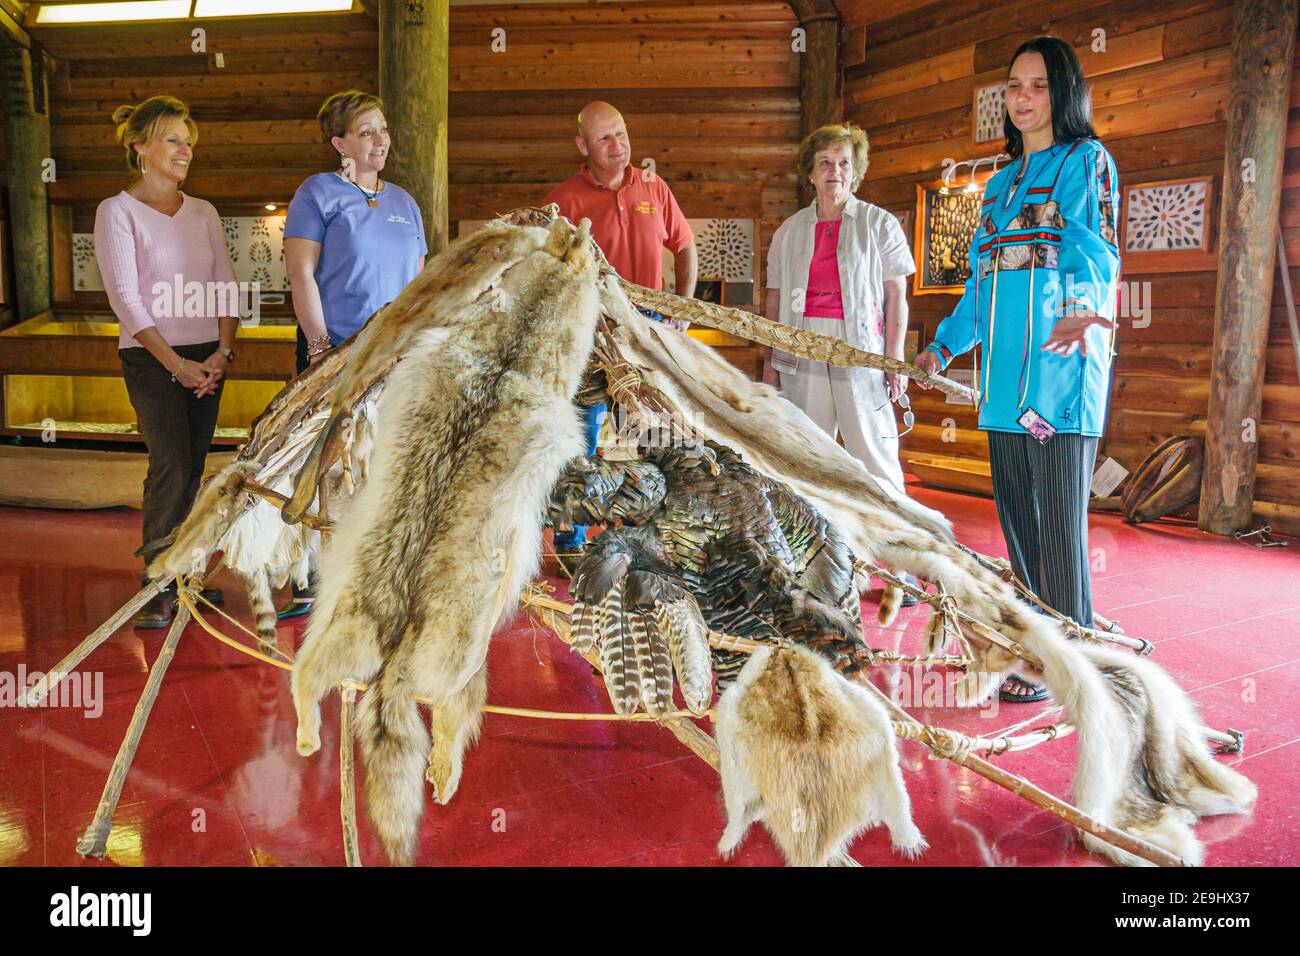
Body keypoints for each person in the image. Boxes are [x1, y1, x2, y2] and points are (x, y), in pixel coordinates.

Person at [914, 36, 1121, 702]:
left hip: (1060, 373)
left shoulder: (1086, 162)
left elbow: (1094, 257)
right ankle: (1037, 655)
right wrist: (945, 346)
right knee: (1019, 525)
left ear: (1064, 93)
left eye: (1037, 85)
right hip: (1003, 383)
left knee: (1058, 525)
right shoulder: (999, 185)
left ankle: (1075, 662)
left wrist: (1080, 315)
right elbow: (980, 283)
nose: (1023, 98)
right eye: (1013, 86)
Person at [281, 89, 428, 619]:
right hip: (335, 350)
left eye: (383, 130)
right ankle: (312, 576)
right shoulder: (318, 193)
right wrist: (320, 349)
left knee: (385, 462)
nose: (379, 141)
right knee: (328, 463)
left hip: (397, 357)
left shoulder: (404, 203)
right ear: (339, 142)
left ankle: (376, 569)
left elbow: (419, 285)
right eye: (366, 131)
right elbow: (300, 274)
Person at [761, 122, 922, 606]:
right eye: (826, 162)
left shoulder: (878, 224)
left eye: (845, 163)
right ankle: (813, 565)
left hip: (862, 354)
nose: (836, 171)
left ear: (857, 171)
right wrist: (770, 366)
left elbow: (898, 297)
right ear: (811, 171)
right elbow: (772, 304)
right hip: (801, 349)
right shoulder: (790, 232)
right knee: (805, 463)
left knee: (877, 462)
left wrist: (893, 360)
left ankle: (904, 569)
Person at [94, 95, 238, 628]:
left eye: (189, 142)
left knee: (195, 466)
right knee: (171, 463)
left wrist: (222, 352)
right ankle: (157, 582)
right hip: (152, 356)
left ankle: (188, 575)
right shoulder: (117, 212)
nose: (185, 150)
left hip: (208, 358)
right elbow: (126, 300)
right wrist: (176, 363)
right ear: (140, 147)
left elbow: (226, 284)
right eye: (173, 139)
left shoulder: (203, 212)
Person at [543, 100, 698, 556]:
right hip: (591, 328)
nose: (619, 146)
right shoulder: (563, 200)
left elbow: (685, 245)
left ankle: (647, 534)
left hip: (646, 325)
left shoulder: (655, 187)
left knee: (648, 429)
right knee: (585, 433)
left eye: (622, 134)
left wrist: (683, 307)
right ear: (582, 145)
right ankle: (572, 539)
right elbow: (548, 274)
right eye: (605, 138)